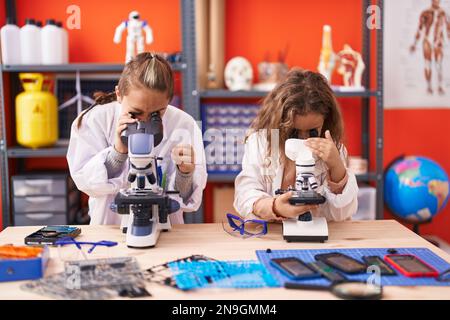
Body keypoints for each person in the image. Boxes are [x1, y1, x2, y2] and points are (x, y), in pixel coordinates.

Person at [67, 52, 207, 225]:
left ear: (169, 102)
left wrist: (185, 174)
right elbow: (86, 183)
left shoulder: (184, 125)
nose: (145, 121)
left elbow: (185, 201)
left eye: (156, 114)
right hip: (110, 227)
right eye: (135, 113)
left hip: (167, 230)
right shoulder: (95, 120)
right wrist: (118, 153)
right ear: (119, 93)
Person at [234, 68, 358, 222]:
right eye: (293, 133)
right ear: (278, 124)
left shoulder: (334, 150)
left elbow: (342, 214)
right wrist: (274, 207)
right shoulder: (260, 144)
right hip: (273, 235)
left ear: (326, 123)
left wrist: (336, 167)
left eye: (312, 132)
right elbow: (245, 194)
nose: (304, 140)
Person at [410, 0, 450, 95]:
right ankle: (429, 86)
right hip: (427, 40)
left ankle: (439, 86)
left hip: (438, 41)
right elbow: (420, 28)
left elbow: (448, 29)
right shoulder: (425, 12)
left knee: (439, 65)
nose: (437, 1)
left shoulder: (443, 13)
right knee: (428, 64)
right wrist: (415, 43)